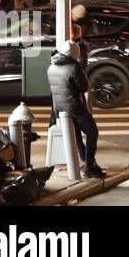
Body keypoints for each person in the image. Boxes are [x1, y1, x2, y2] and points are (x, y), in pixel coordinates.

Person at [47, 43, 104, 179]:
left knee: (76, 135)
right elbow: (83, 87)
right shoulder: (74, 67)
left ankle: (89, 164)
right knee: (92, 132)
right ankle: (89, 165)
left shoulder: (51, 67)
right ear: (74, 54)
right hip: (74, 106)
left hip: (59, 107)